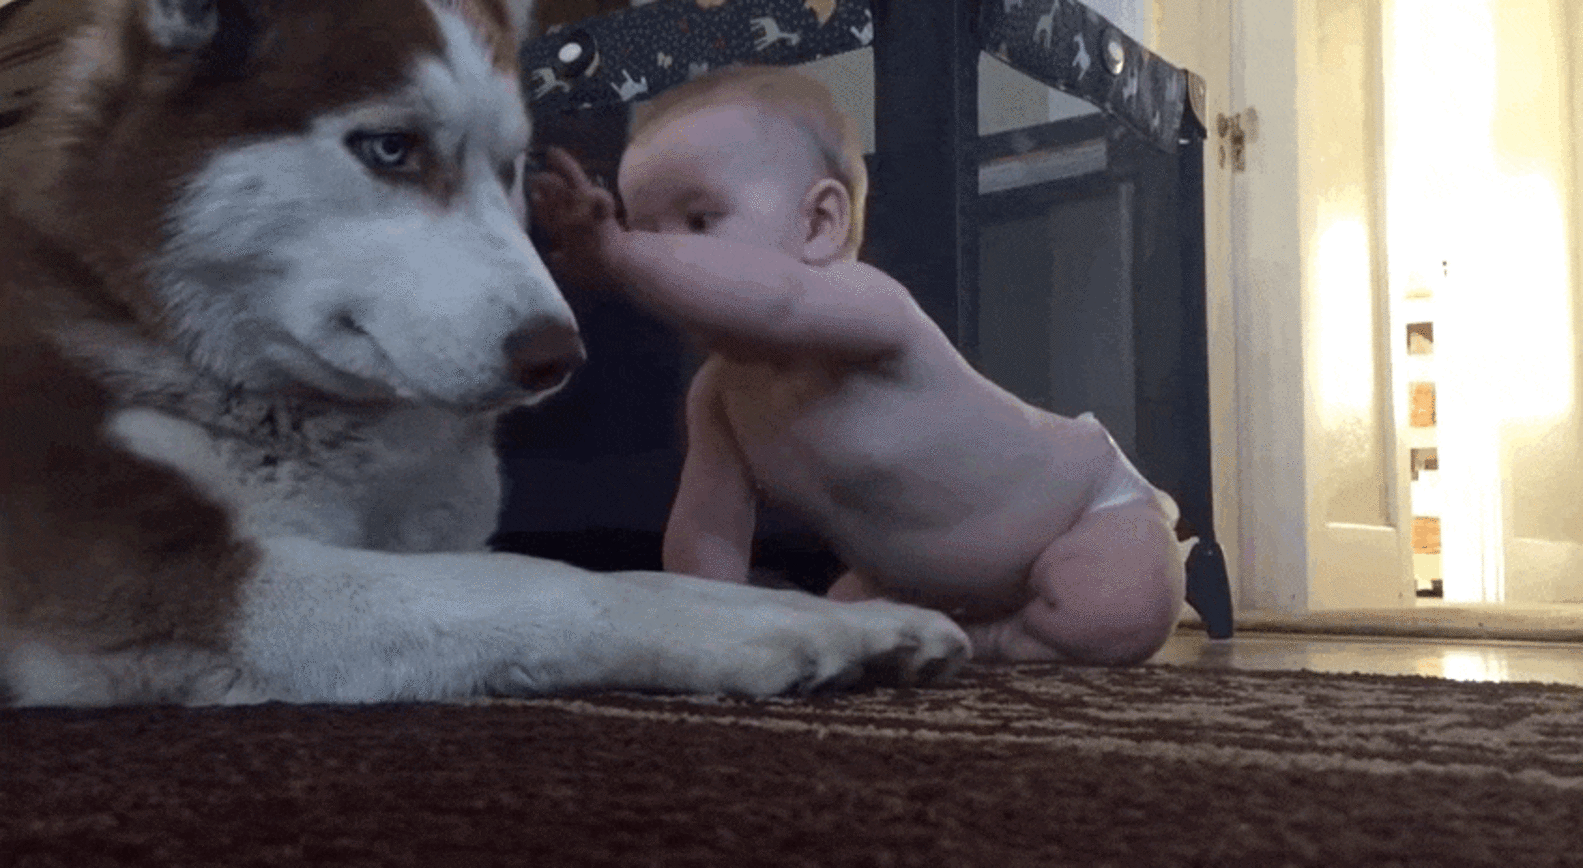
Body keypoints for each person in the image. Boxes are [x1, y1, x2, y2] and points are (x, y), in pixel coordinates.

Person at [530, 65, 1184, 664]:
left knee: (1114, 611)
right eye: (644, 229)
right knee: (833, 622)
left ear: (818, 225)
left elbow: (778, 302)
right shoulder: (720, 395)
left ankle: (992, 641)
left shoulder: (868, 309)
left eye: (698, 223)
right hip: (907, 581)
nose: (661, 261)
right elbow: (709, 530)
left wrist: (619, 254)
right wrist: (706, 627)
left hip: (1082, 516)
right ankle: (935, 629)